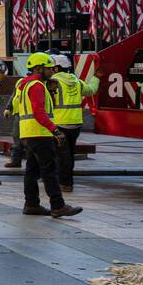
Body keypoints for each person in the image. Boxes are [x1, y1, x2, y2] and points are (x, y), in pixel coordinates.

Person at [13, 52, 81, 218]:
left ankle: (31, 204)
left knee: (32, 171)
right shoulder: (36, 86)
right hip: (40, 133)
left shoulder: (25, 84)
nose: (52, 71)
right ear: (38, 68)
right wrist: (55, 130)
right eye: (49, 68)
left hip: (29, 133)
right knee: (49, 171)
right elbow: (39, 112)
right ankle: (58, 206)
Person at [50, 53, 99, 194]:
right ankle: (67, 181)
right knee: (69, 154)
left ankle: (64, 183)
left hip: (59, 124)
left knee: (61, 155)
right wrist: (96, 78)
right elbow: (91, 90)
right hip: (75, 124)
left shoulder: (52, 82)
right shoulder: (76, 81)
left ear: (56, 68)